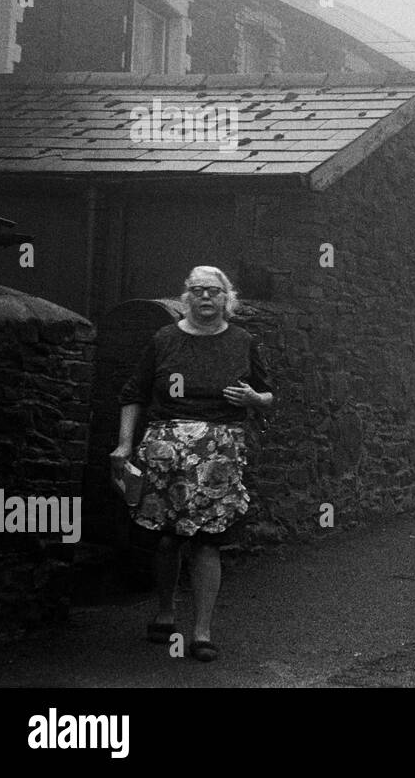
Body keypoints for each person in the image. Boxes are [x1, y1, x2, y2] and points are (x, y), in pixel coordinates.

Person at [111, 265, 273, 662]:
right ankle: (166, 611)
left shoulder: (243, 341)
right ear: (187, 296)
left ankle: (201, 632)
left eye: (214, 292)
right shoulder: (165, 339)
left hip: (219, 453)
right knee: (167, 537)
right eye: (198, 291)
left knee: (207, 541)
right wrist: (123, 445)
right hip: (165, 450)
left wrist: (254, 399)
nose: (205, 298)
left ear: (226, 299)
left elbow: (270, 396)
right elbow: (134, 392)